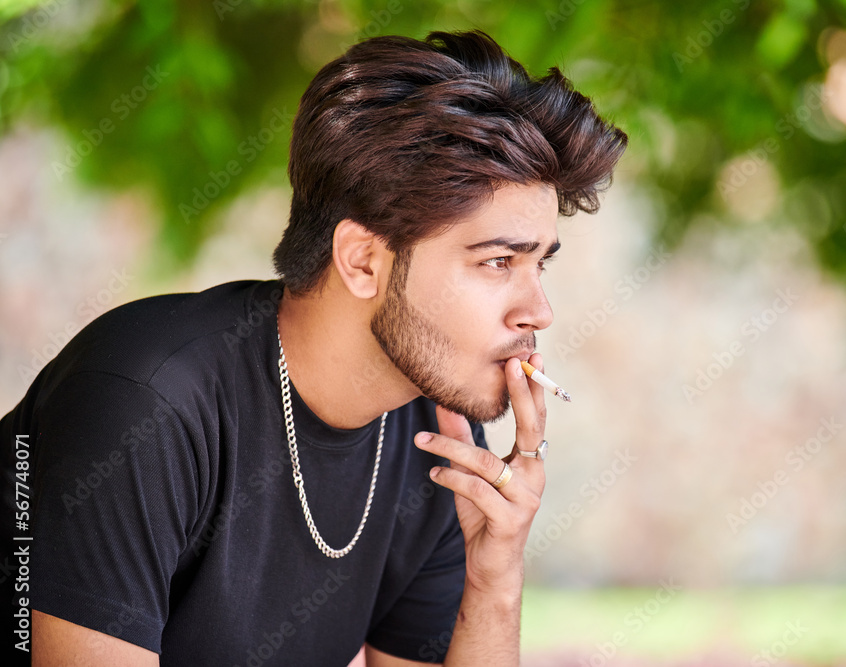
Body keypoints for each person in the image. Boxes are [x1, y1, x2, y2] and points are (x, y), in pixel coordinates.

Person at [1, 28, 626, 666]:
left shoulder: (440, 439)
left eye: (539, 265)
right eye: (498, 262)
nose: (539, 311)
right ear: (362, 261)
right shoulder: (149, 400)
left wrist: (495, 578)